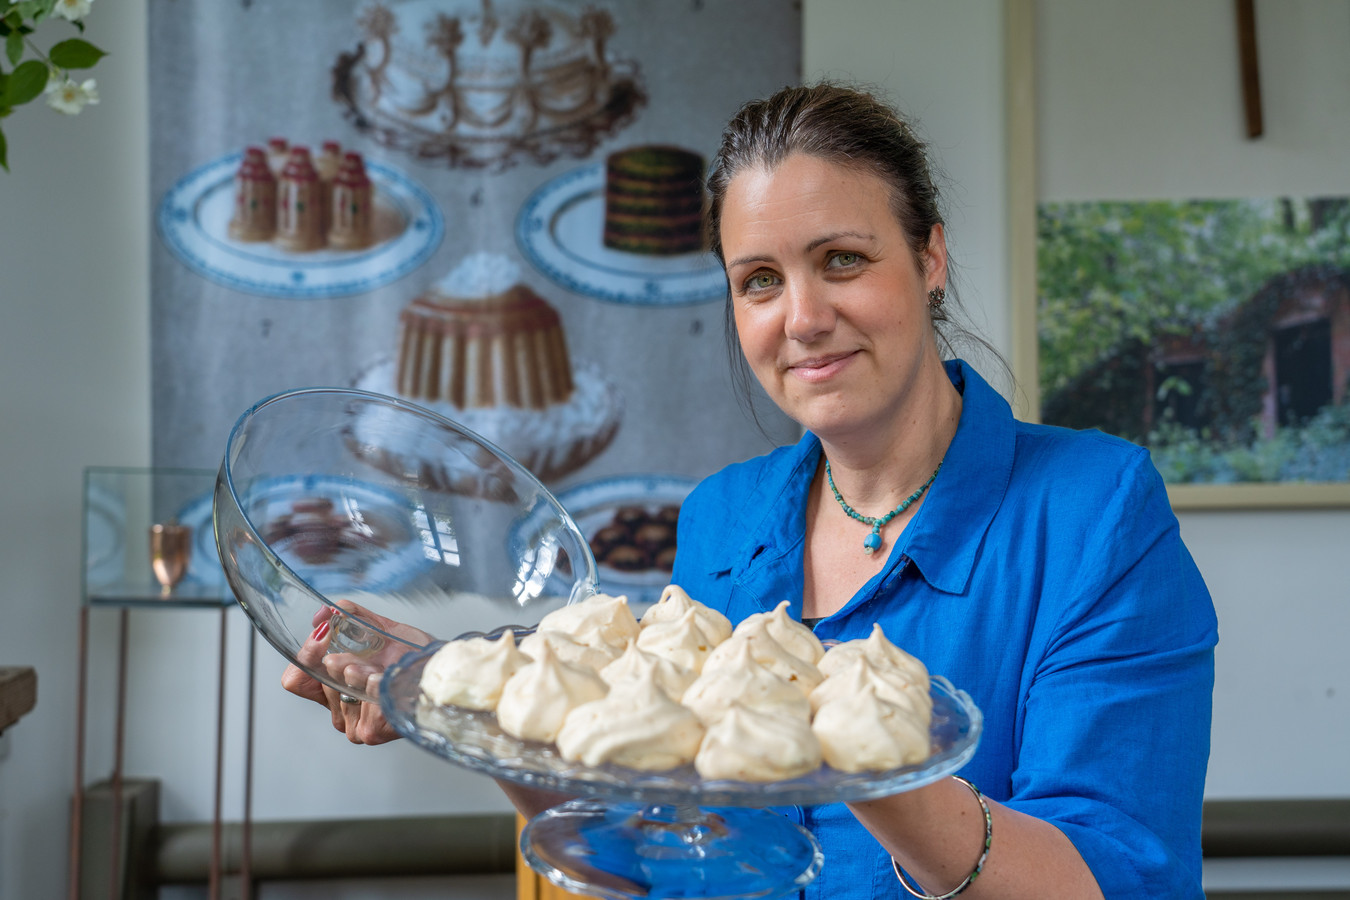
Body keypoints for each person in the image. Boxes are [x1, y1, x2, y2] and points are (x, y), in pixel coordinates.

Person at [285, 82, 1218, 899]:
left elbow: (1117, 879)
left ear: (930, 258)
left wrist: (865, 750)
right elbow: (660, 863)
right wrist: (463, 699)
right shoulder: (723, 520)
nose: (803, 319)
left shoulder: (1095, 511)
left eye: (842, 260)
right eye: (760, 281)